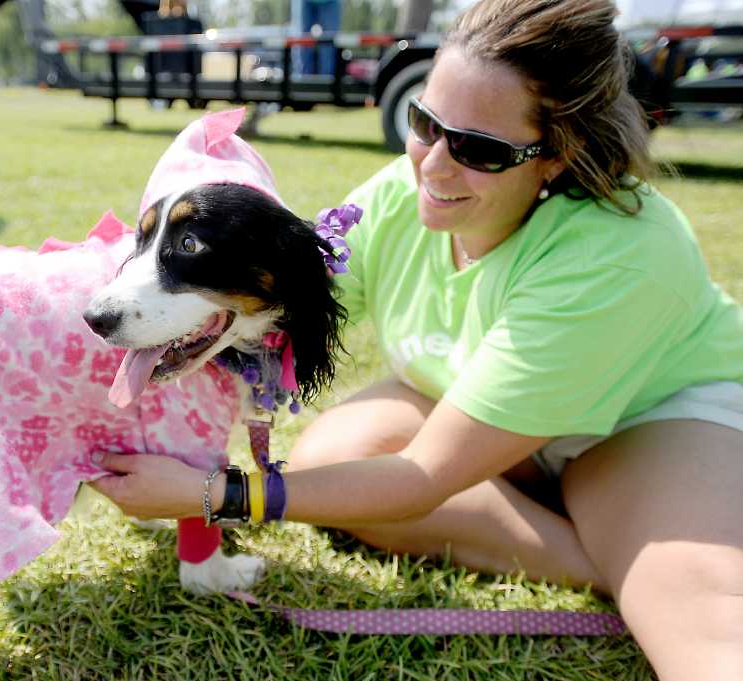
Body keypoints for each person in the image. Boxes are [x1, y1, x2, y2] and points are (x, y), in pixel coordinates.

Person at [89, 1, 743, 679]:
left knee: (701, 634)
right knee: (331, 458)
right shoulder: (402, 192)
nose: (432, 165)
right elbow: (285, 307)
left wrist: (211, 493)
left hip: (643, 423)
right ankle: (612, 558)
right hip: (479, 416)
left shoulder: (623, 256)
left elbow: (422, 476)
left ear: (557, 156)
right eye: (425, 123)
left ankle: (653, 563)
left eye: (480, 149)